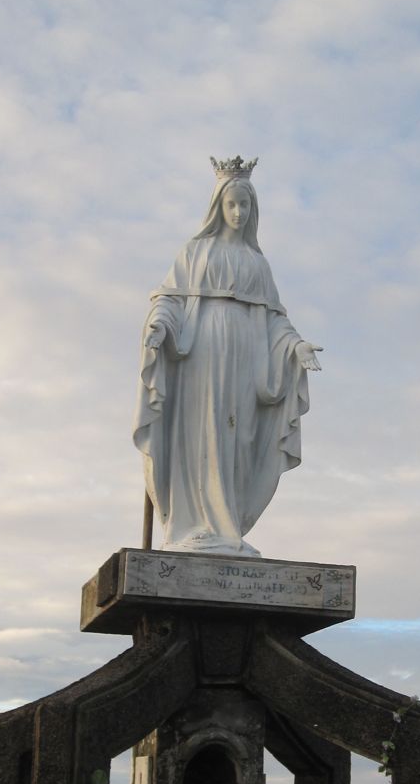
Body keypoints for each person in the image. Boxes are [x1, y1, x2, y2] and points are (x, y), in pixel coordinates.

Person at [134, 157, 321, 555]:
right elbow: (168, 300)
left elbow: (275, 322)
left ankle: (228, 527)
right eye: (231, 205)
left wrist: (295, 346)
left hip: (246, 364)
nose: (238, 212)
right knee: (201, 436)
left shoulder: (258, 264)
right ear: (218, 207)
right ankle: (193, 525)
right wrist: (157, 327)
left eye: (245, 206)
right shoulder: (194, 253)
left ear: (254, 211)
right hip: (200, 359)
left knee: (237, 440)